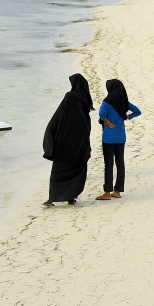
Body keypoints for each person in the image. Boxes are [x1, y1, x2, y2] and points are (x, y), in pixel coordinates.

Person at [42, 73, 93, 206]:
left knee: (56, 176)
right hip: (75, 154)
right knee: (75, 175)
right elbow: (85, 134)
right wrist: (85, 151)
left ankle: (51, 199)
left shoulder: (59, 115)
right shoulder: (81, 118)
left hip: (62, 154)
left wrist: (50, 149)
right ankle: (71, 197)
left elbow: (49, 130)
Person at [95, 79, 141, 200]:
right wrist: (127, 117)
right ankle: (117, 191)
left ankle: (106, 193)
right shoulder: (124, 102)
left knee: (108, 164)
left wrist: (107, 121)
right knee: (120, 163)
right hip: (121, 137)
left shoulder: (107, 102)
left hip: (108, 137)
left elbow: (101, 113)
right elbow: (137, 111)